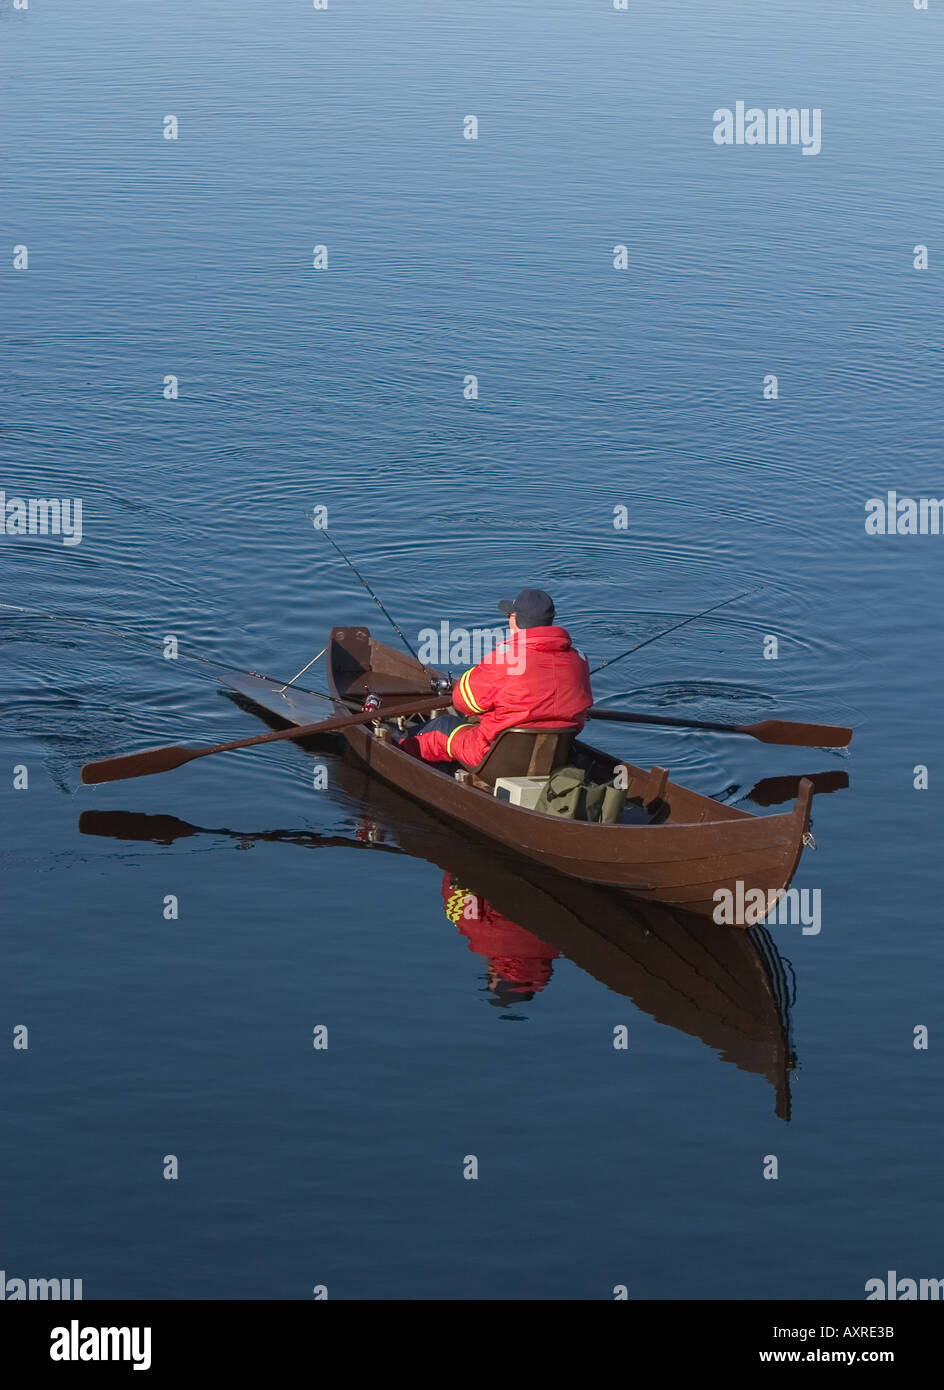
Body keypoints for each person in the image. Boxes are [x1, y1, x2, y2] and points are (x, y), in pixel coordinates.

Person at [397, 588, 593, 768]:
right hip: (555, 754)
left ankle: (397, 752)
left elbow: (462, 702)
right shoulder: (579, 659)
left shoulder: (504, 659)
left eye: (509, 615)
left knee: (442, 726)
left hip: (494, 758)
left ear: (515, 619)